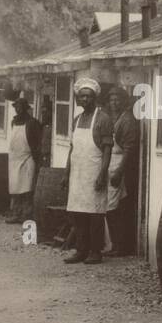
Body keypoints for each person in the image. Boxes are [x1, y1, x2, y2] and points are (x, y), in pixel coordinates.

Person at [63, 78, 113, 265]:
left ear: (95, 98)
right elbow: (72, 148)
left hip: (94, 173)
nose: (85, 100)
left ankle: (95, 251)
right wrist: (66, 173)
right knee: (77, 214)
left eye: (88, 97)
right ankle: (81, 250)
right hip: (77, 173)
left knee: (95, 214)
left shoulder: (103, 119)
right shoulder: (77, 120)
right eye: (82, 96)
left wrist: (102, 174)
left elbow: (107, 149)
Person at [105, 84, 141, 256]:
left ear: (124, 101)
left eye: (117, 99)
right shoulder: (115, 118)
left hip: (120, 168)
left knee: (116, 208)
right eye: (111, 100)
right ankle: (115, 244)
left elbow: (129, 149)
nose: (114, 103)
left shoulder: (127, 120)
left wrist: (119, 172)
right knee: (112, 207)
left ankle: (120, 246)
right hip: (111, 165)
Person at [3, 94, 43, 224]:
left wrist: (37, 160)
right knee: (15, 188)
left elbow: (36, 144)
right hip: (14, 159)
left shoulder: (32, 123)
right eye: (16, 107)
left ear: (25, 108)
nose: (18, 109)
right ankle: (16, 213)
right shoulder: (13, 122)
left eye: (20, 107)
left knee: (27, 188)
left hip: (27, 159)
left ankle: (26, 215)